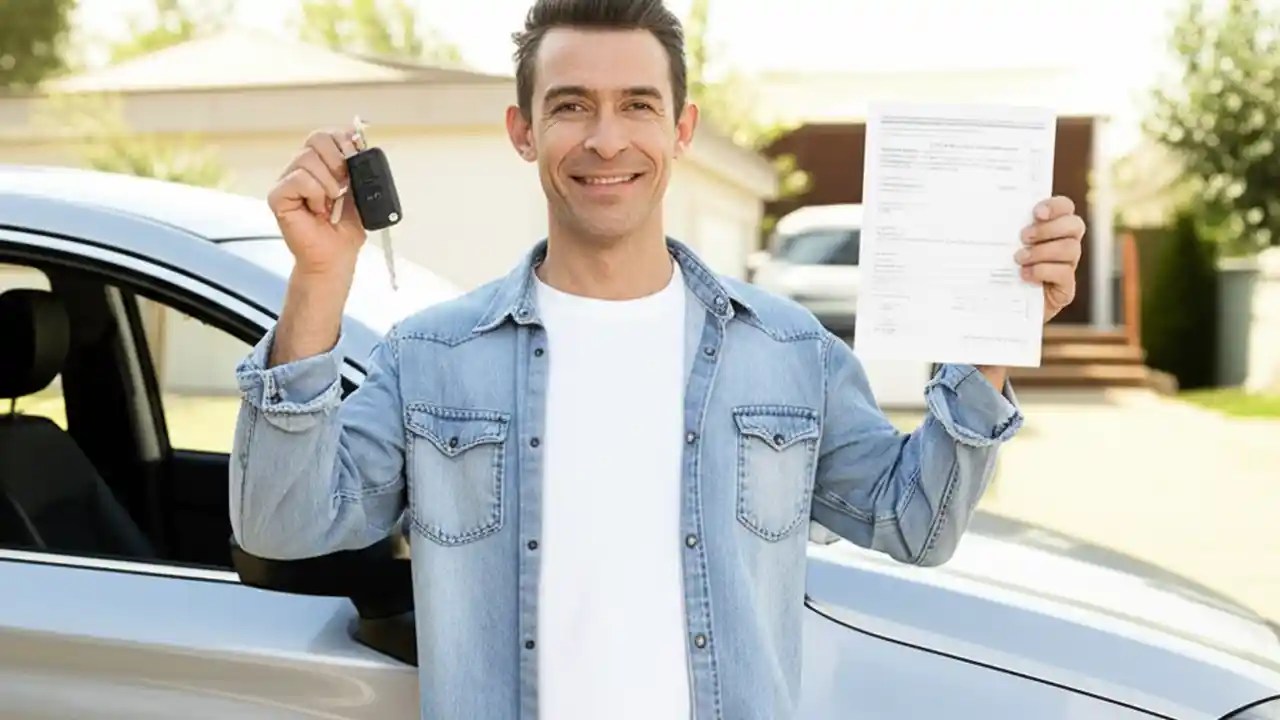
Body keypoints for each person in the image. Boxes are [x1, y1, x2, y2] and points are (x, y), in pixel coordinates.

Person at [229, 0, 1086, 718]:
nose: (606, 140)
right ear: (522, 132)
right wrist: (318, 278)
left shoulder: (788, 353)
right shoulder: (435, 357)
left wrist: (987, 344)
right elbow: (282, 523)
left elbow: (917, 524)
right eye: (570, 106)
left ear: (681, 129)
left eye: (637, 105)